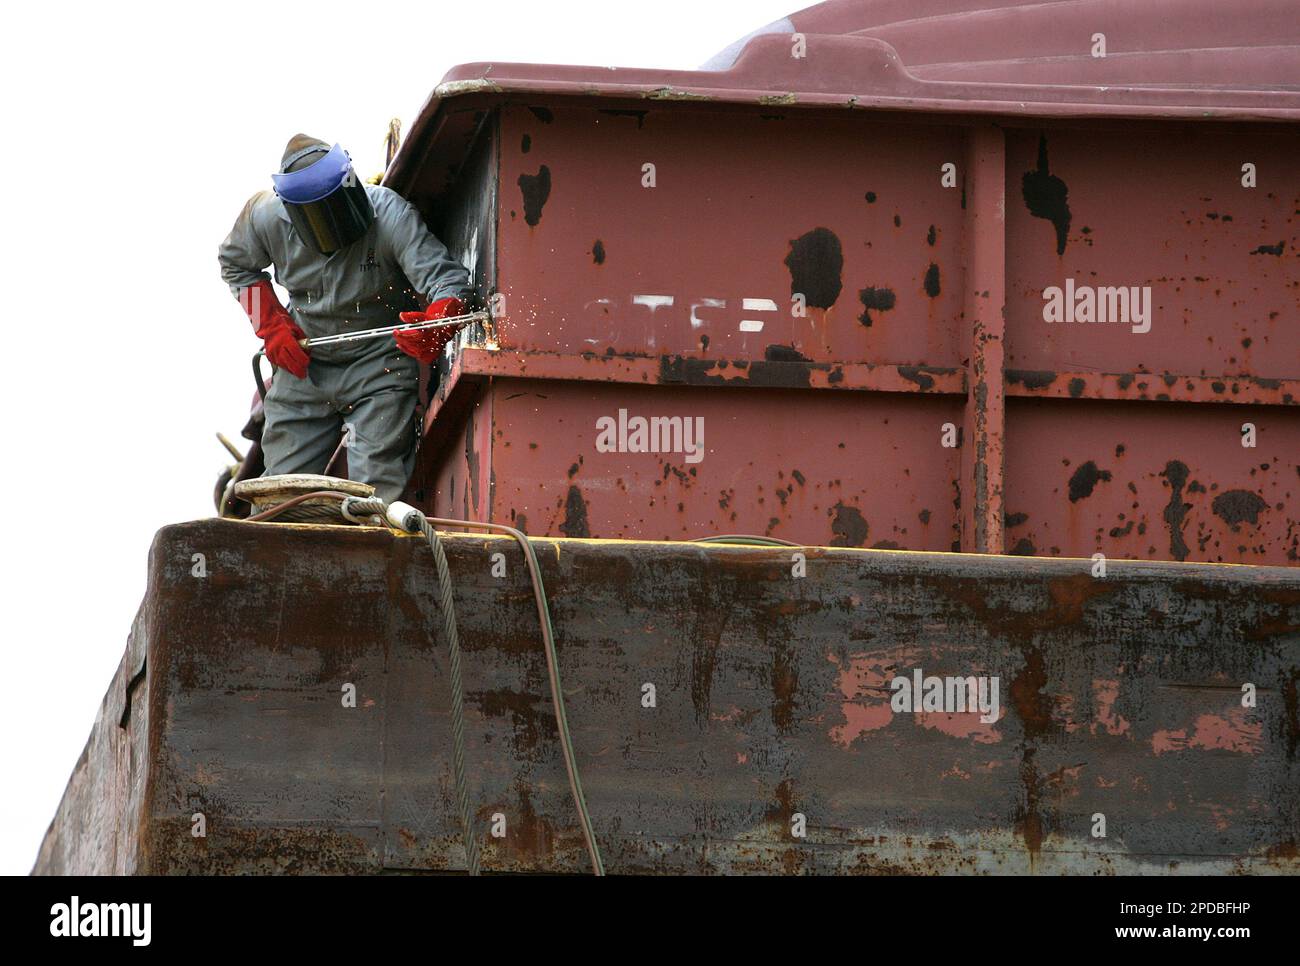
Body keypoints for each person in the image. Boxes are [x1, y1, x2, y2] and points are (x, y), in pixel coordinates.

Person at [218, 134, 472, 501]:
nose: (337, 223)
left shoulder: (389, 213)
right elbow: (236, 264)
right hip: (307, 362)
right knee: (279, 497)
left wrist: (440, 319)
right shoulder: (265, 218)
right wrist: (271, 324)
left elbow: (447, 281)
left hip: (380, 363)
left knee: (375, 496)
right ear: (293, 213)